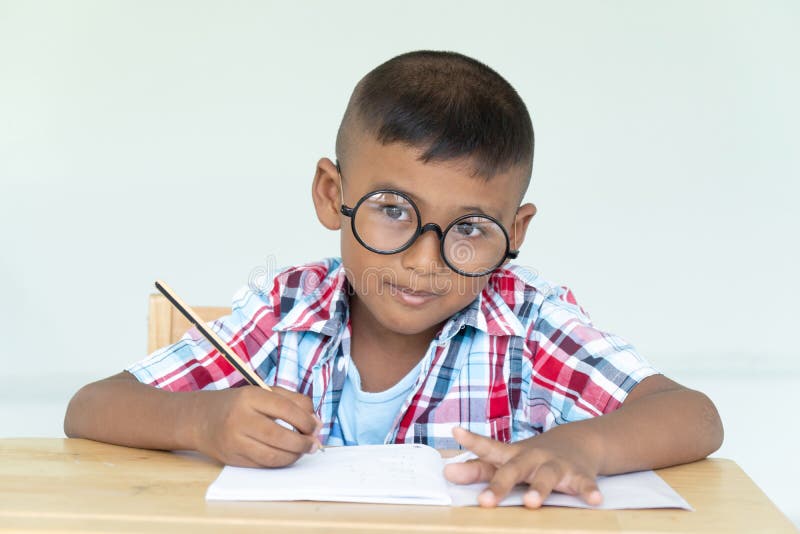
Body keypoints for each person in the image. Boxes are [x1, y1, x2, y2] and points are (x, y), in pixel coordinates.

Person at [64, 50, 723, 509]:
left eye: (469, 227)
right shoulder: (282, 312)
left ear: (515, 233)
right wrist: (203, 422)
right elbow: (89, 408)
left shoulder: (527, 324)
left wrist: (586, 443)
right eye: (392, 212)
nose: (425, 261)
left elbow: (695, 416)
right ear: (331, 194)